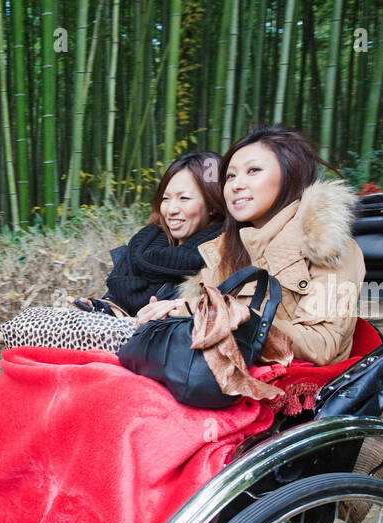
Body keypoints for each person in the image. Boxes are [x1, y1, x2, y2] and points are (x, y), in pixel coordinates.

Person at [138, 124, 365, 366]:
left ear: (291, 174)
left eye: (253, 170)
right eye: (230, 176)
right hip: (221, 371)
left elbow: (322, 344)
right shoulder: (222, 250)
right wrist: (172, 311)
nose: (236, 185)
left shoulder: (328, 247)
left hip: (296, 386)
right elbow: (211, 318)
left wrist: (240, 317)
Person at [70, 151, 224, 317]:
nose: (171, 210)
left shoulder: (222, 259)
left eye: (184, 198)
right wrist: (96, 308)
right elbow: (119, 309)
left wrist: (181, 312)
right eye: (166, 199)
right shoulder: (143, 246)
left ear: (213, 204)